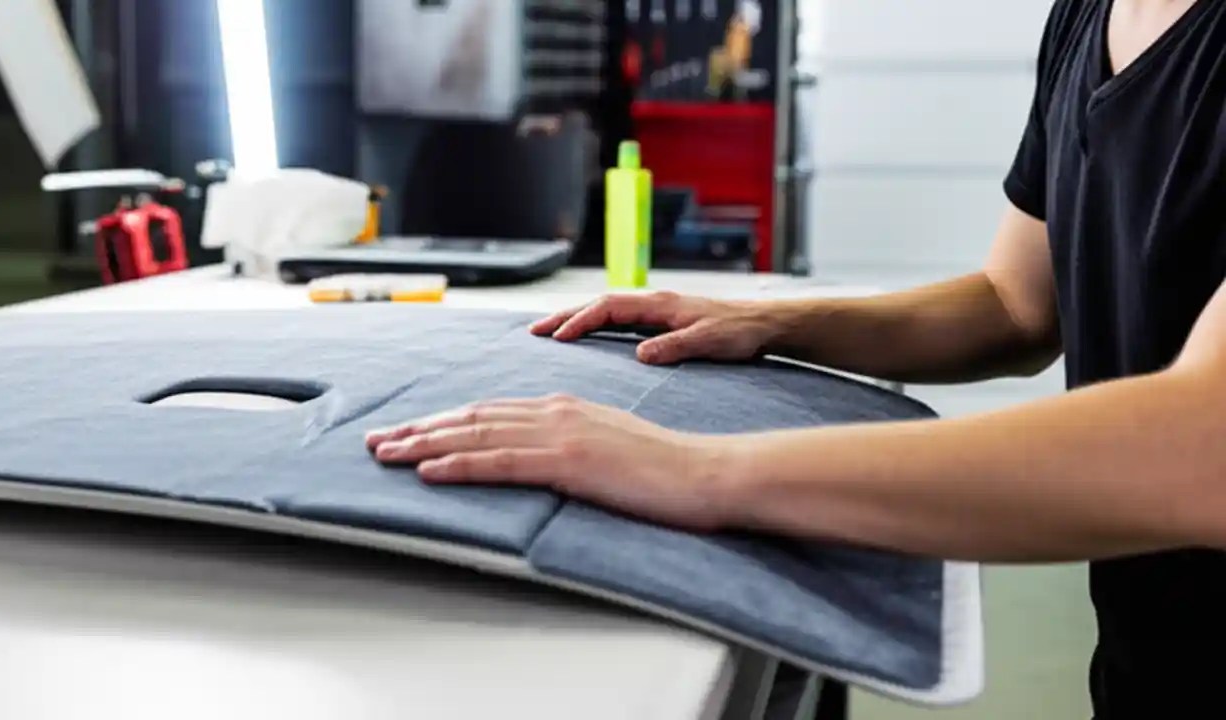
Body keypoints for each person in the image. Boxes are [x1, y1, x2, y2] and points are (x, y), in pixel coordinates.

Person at [366, 1, 1226, 716]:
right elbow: (1017, 303)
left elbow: (1204, 449)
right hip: (1149, 657)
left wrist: (694, 471)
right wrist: (770, 321)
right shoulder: (1089, 15)